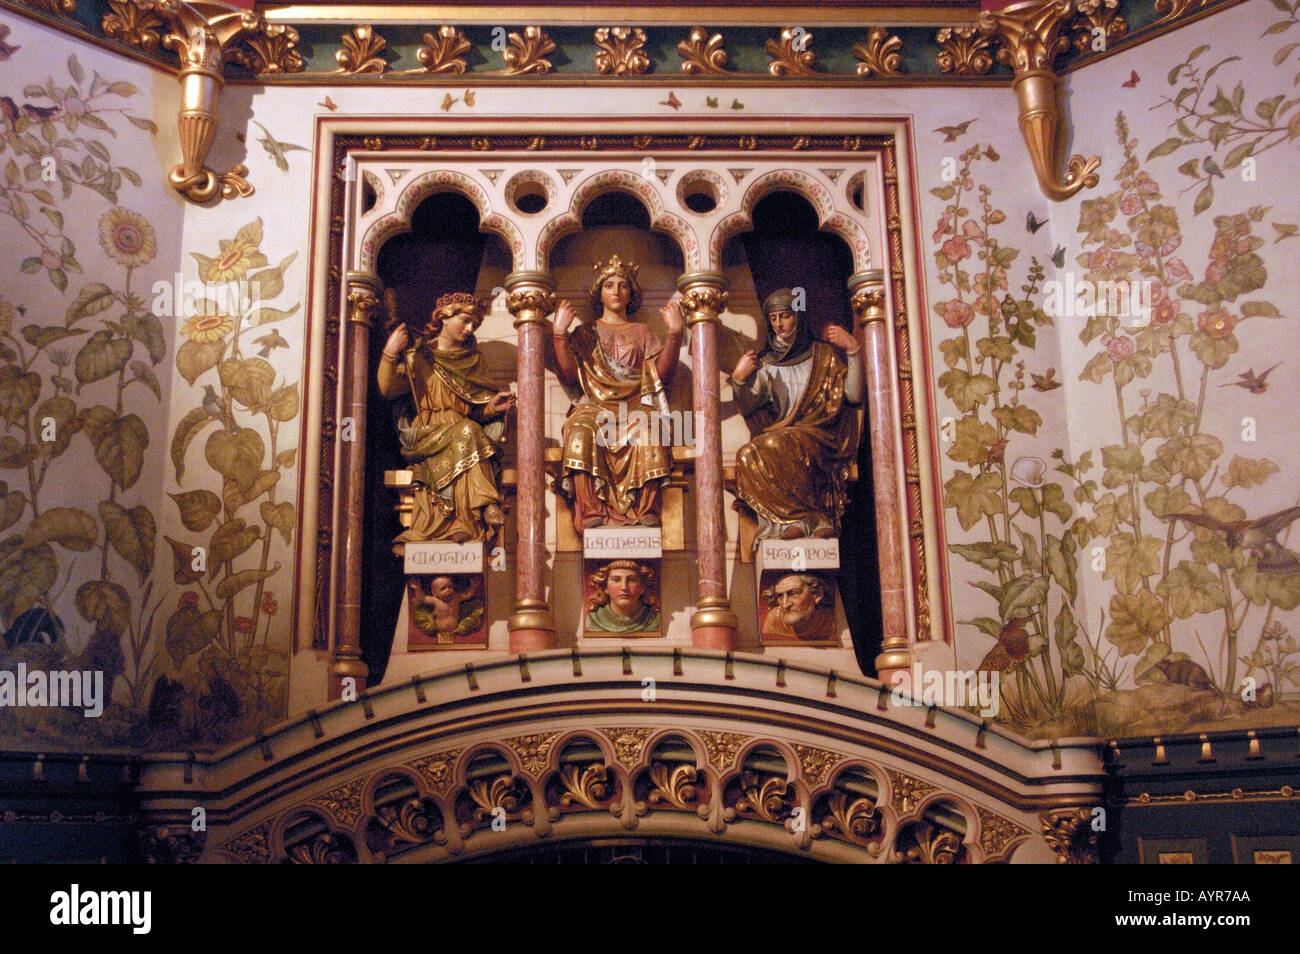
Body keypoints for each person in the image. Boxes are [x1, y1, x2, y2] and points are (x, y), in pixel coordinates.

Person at [553, 254, 685, 533]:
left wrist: (675, 334)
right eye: (609, 285)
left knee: (651, 428)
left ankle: (647, 510)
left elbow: (661, 376)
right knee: (579, 427)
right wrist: (559, 334)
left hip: (634, 406)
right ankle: (590, 510)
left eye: (623, 285)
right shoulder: (585, 333)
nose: (616, 291)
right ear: (598, 292)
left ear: (631, 293)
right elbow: (568, 376)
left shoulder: (641, 331)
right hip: (594, 405)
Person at [378, 292, 516, 546]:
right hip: (427, 433)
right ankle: (485, 502)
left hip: (463, 433)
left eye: (474, 324)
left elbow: (474, 411)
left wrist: (492, 410)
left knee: (467, 431)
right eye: (464, 320)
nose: (470, 328)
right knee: (467, 431)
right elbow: (388, 389)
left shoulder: (474, 360)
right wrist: (389, 352)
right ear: (444, 317)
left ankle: (464, 523)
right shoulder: (418, 356)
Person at [730, 288, 864, 541]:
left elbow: (854, 396)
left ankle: (807, 517)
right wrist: (738, 379)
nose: (780, 324)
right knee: (746, 456)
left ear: (798, 318)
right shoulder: (767, 363)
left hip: (821, 435)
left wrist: (854, 349)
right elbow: (748, 406)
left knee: (773, 442)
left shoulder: (823, 356)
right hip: (784, 436)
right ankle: (785, 522)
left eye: (785, 316)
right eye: (774, 318)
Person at [585, 559, 662, 635]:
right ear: (605, 587)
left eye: (632, 580)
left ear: (643, 587)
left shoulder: (653, 619)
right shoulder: (594, 619)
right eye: (616, 580)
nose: (624, 587)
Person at [408, 575, 484, 644]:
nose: (448, 590)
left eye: (450, 587)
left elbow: (467, 595)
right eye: (443, 588)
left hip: (456, 629)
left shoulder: (456, 598)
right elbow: (422, 598)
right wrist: (417, 588)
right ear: (434, 593)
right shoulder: (435, 600)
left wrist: (473, 586)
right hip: (438, 630)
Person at [761, 572, 837, 641]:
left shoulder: (831, 620)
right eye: (780, 596)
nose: (785, 605)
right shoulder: (774, 620)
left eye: (794, 593)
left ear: (816, 594)